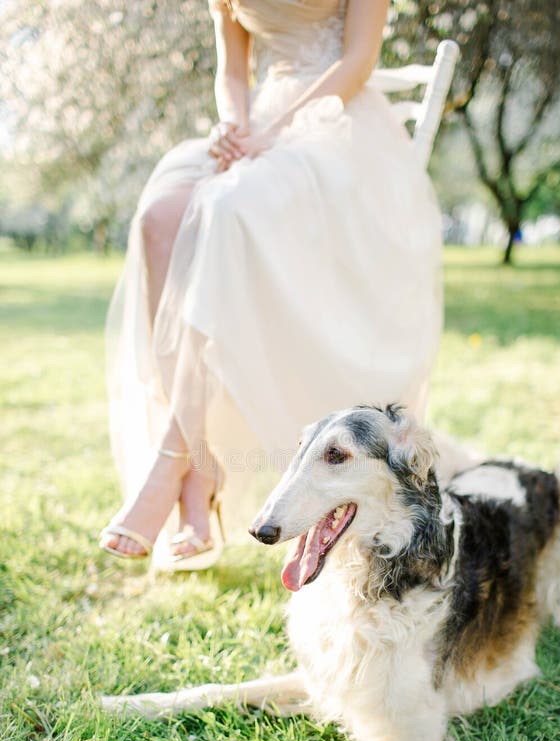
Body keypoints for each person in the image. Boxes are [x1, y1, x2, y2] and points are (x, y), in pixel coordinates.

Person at [101, 0, 443, 569]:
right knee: (159, 218)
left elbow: (358, 59)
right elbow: (234, 70)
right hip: (260, 118)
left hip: (338, 127)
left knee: (228, 208)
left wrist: (276, 133)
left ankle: (175, 466)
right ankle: (197, 460)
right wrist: (236, 126)